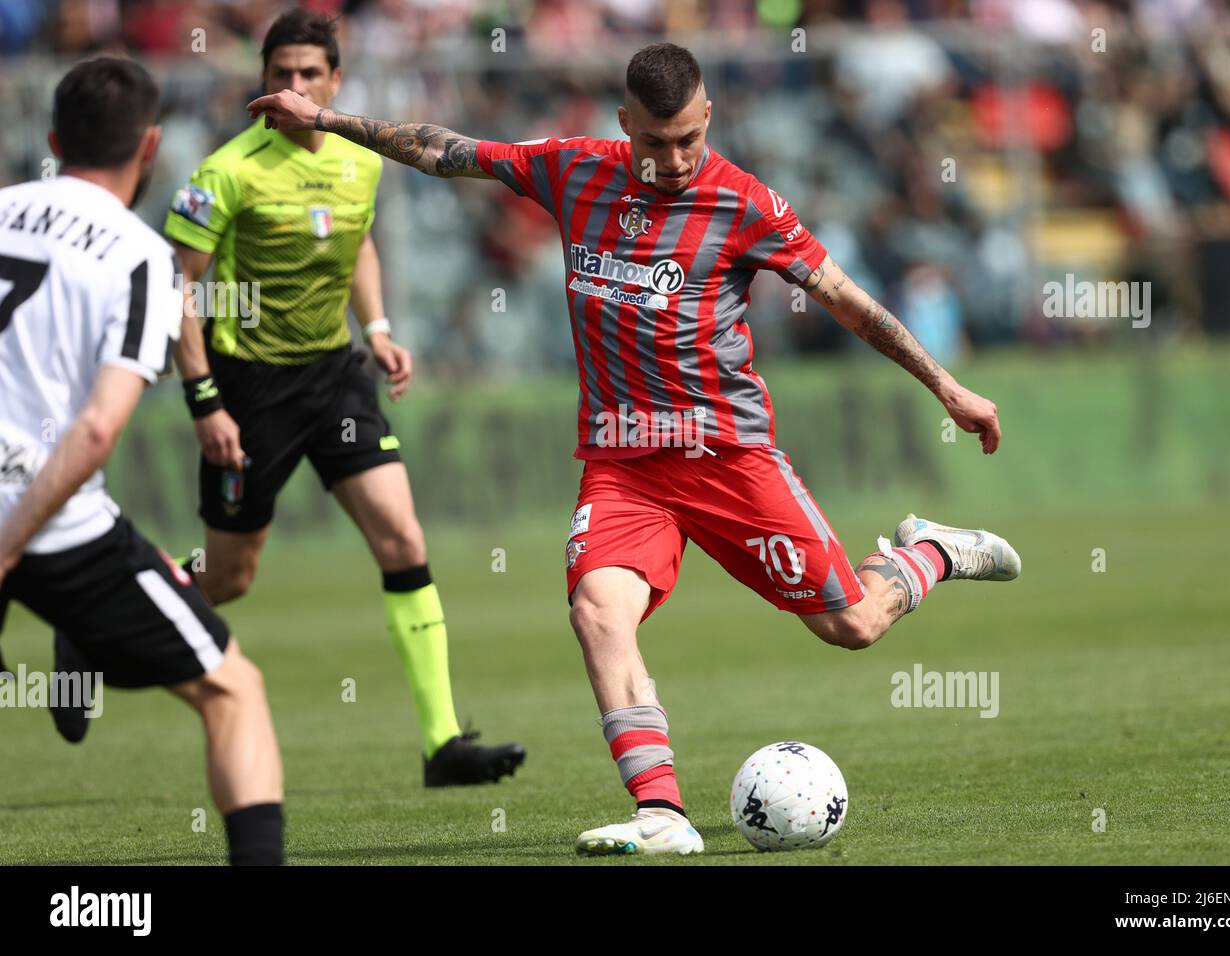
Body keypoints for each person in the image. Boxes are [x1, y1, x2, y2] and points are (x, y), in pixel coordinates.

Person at [247, 41, 1021, 856]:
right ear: (625, 125)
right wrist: (327, 119)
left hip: (728, 457)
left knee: (853, 626)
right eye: (656, 143)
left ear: (707, 117)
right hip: (623, 468)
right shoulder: (573, 168)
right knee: (597, 611)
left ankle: (929, 553)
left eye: (689, 138)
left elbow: (851, 304)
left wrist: (947, 387)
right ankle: (662, 812)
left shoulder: (745, 203)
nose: (676, 159)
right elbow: (446, 151)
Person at [144, 9, 522, 786]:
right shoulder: (228, 170)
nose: (293, 87)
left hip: (336, 375)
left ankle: (443, 743)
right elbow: (177, 291)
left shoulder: (361, 162)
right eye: (280, 73)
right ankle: (117, 601)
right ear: (261, 83)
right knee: (231, 578)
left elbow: (357, 243)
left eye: (309, 74)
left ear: (335, 82)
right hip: (249, 388)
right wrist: (205, 403)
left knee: (403, 541)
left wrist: (377, 327)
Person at [0, 57, 283, 865]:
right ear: (150, 146)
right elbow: (95, 432)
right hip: (49, 522)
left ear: (52, 139)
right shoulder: (140, 258)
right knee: (233, 690)